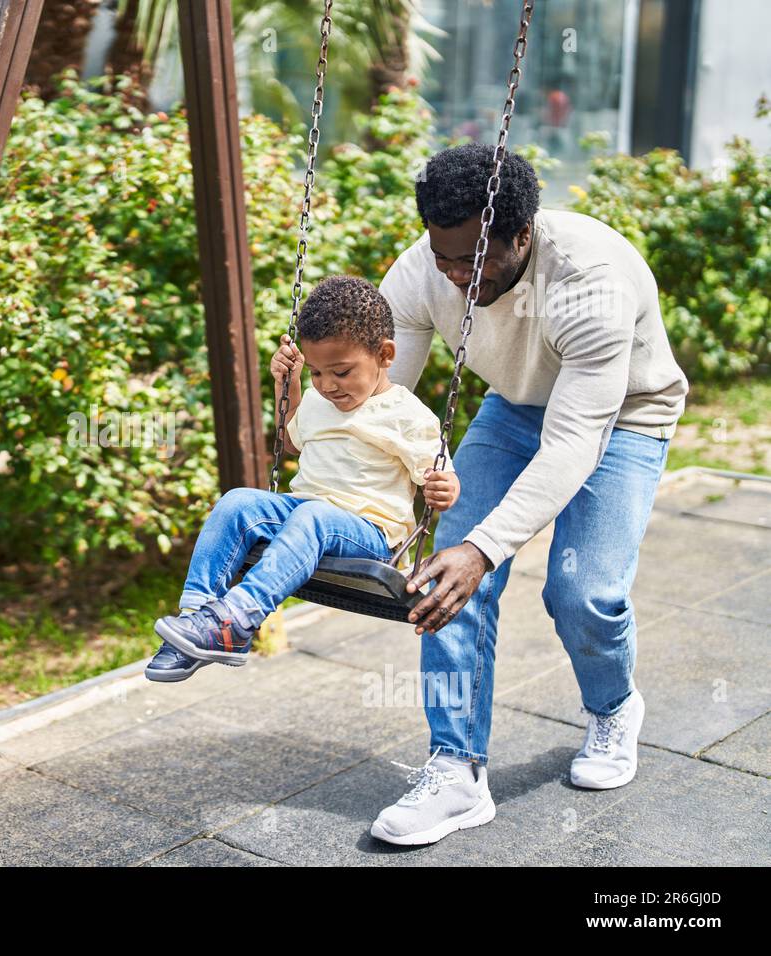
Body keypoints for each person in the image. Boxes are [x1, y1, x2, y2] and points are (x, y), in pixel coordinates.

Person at [369, 144, 688, 846]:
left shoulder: (588, 282)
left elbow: (574, 443)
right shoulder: (427, 270)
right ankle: (456, 771)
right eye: (445, 257)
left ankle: (612, 707)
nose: (457, 276)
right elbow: (384, 400)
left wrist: (485, 547)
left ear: (522, 234)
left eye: (474, 261)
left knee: (582, 592)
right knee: (442, 578)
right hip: (516, 407)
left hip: (625, 413)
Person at [146, 276, 459, 680]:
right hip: (306, 513)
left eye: (342, 372)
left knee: (312, 516)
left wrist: (444, 487)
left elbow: (444, 480)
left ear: (384, 355)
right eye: (316, 373)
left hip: (369, 532)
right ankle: (197, 621)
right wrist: (291, 385)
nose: (328, 385)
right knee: (237, 501)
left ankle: (238, 619)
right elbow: (292, 440)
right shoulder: (317, 400)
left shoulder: (408, 415)